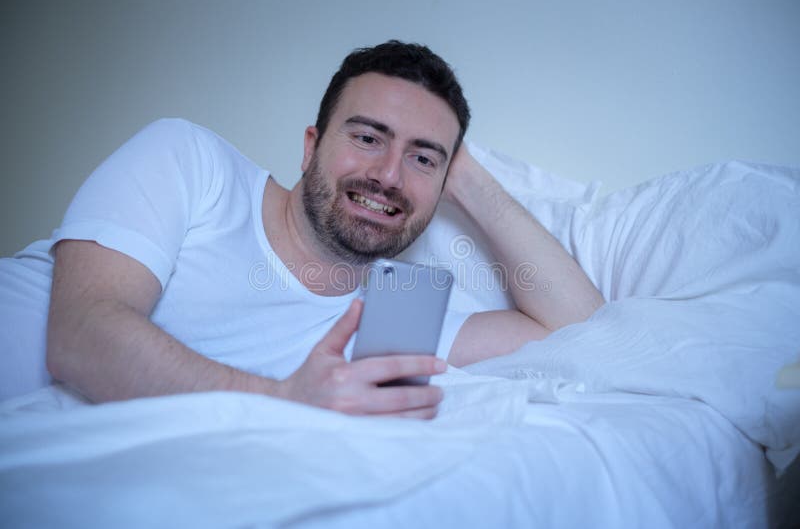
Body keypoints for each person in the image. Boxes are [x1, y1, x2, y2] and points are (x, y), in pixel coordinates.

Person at [4, 40, 604, 417]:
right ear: (311, 145)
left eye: (422, 158)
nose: (388, 175)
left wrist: (463, 174)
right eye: (367, 138)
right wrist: (284, 402)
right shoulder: (190, 161)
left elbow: (583, 330)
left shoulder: (391, 323)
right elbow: (80, 337)